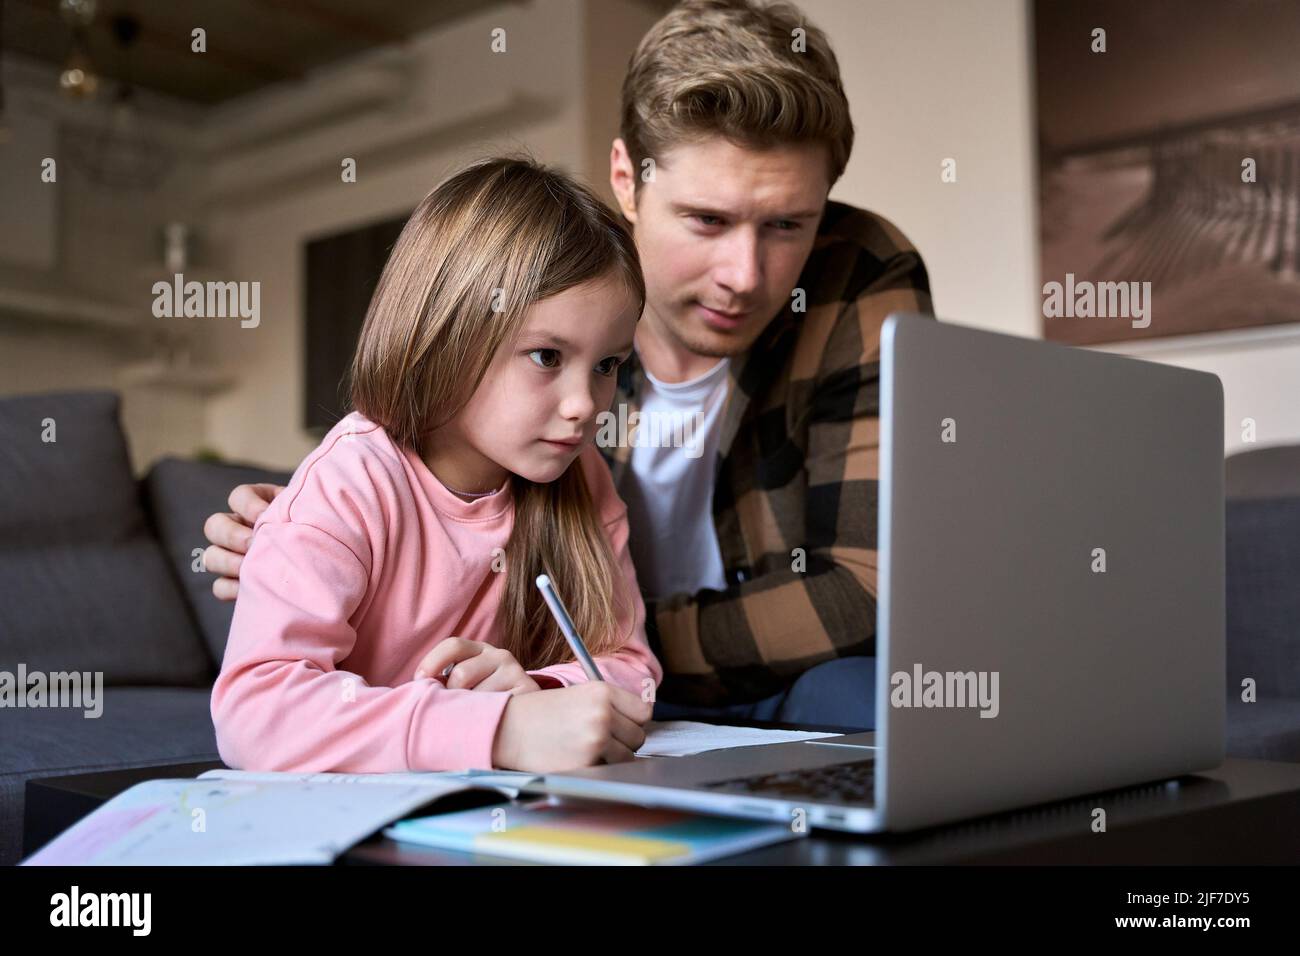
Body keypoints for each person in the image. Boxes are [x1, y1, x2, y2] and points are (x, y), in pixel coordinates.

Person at [203, 0, 934, 731]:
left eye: (786, 225)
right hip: (583, 679)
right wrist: (309, 555)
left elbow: (862, 592)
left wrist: (597, 660)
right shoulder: (561, 286)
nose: (744, 275)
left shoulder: (856, 272)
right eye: (706, 221)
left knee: (891, 711)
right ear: (628, 178)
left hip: (690, 672)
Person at [210, 156, 660, 774]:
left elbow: (631, 670)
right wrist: (496, 729)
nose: (586, 406)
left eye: (608, 365)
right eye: (547, 355)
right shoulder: (353, 481)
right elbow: (253, 715)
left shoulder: (584, 479)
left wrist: (543, 695)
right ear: (448, 334)